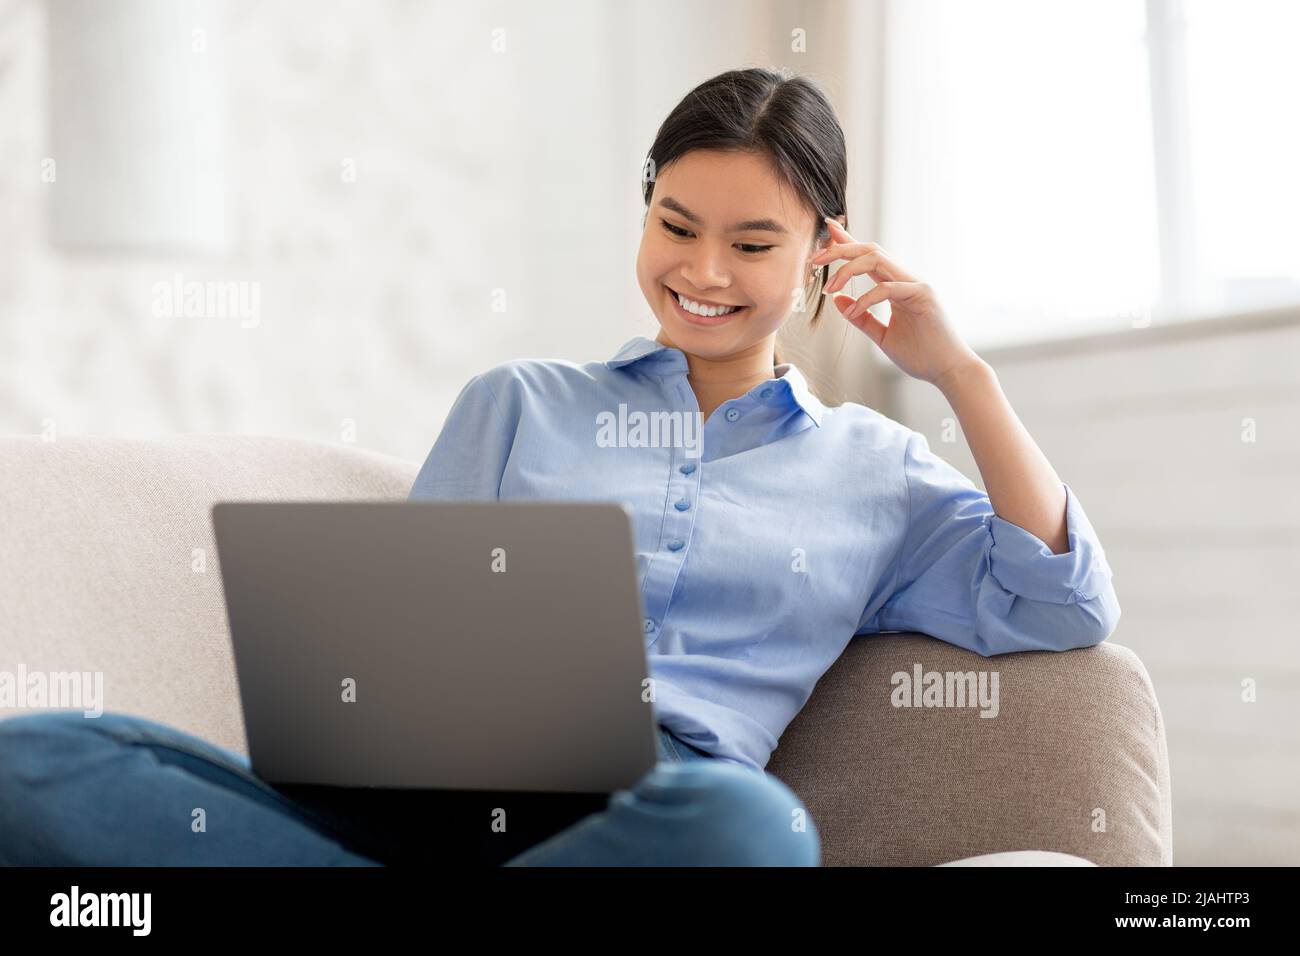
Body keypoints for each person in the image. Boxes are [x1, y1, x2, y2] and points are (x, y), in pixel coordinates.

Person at [0, 66, 1118, 867]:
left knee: (752, 830)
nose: (702, 270)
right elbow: (393, 659)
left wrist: (959, 373)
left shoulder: (879, 472)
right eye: (675, 225)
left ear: (828, 249)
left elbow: (1062, 601)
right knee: (39, 758)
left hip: (661, 809)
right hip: (435, 799)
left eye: (752, 242)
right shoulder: (519, 401)